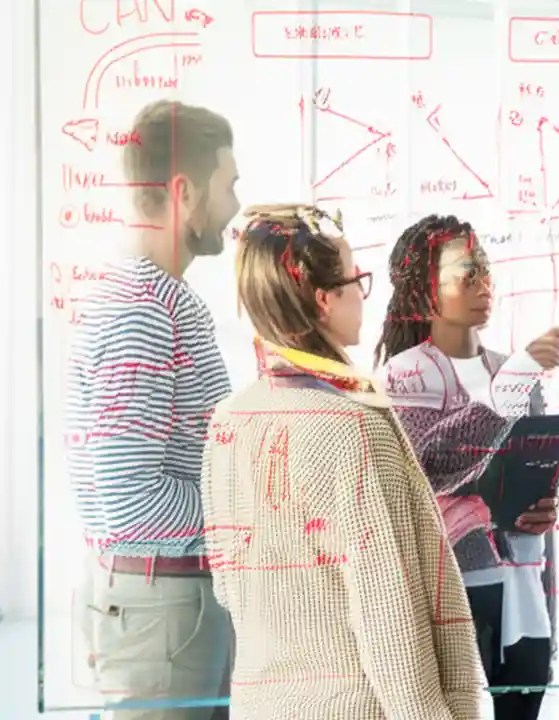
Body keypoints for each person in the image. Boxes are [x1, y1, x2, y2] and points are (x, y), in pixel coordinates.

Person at [200, 204, 485, 719]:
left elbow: (228, 585)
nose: (361, 293)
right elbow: (389, 615)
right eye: (356, 279)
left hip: (263, 703)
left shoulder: (228, 421)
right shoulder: (352, 426)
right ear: (324, 299)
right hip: (355, 705)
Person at [66, 100, 240, 719]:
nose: (236, 205)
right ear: (183, 192)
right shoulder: (143, 309)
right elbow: (131, 496)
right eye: (229, 185)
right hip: (163, 605)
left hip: (170, 600)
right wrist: (252, 513)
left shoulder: (157, 297)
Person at [374, 214, 559, 720]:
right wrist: (510, 389)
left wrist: (545, 509)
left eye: (485, 269)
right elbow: (430, 467)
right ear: (425, 290)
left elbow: (537, 475)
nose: (483, 284)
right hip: (456, 596)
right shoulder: (404, 373)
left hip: (526, 594)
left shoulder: (511, 369)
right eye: (466, 273)